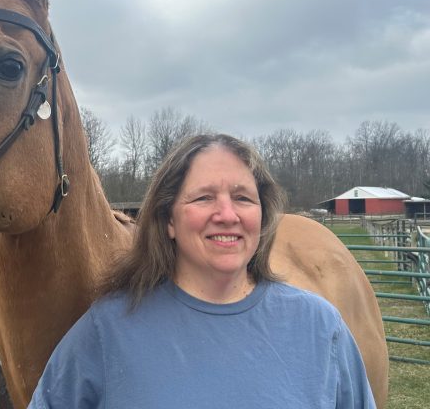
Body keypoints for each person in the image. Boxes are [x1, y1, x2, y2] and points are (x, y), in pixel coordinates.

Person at [29, 134, 376, 408]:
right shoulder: (105, 333)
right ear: (168, 221)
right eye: (204, 198)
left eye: (243, 198)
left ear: (262, 216)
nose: (227, 214)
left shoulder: (321, 327)